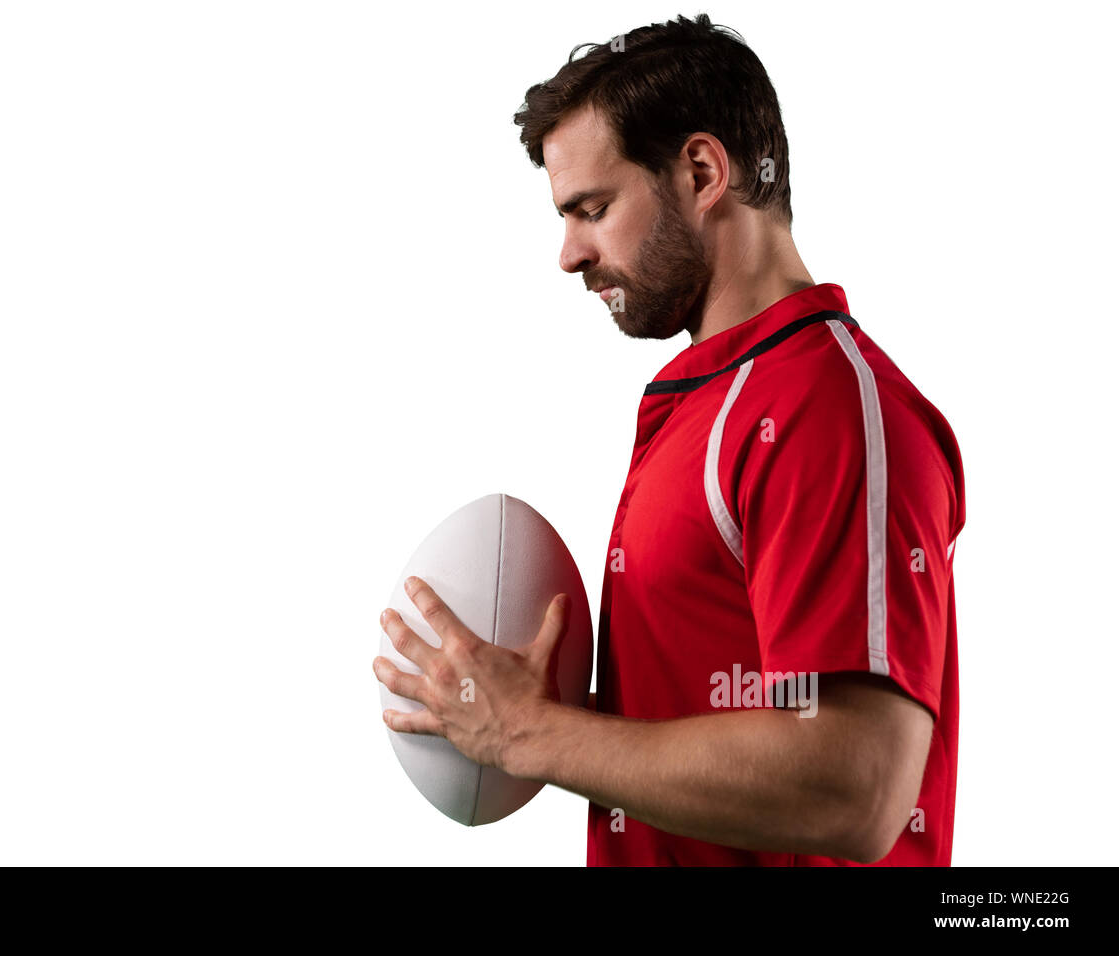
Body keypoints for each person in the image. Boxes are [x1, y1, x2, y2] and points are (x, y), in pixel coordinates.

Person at [373, 13, 965, 866]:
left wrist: (534, 734)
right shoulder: (707, 401)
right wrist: (557, 717)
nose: (569, 255)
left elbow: (858, 788)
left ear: (700, 171)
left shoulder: (824, 408)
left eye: (593, 208)